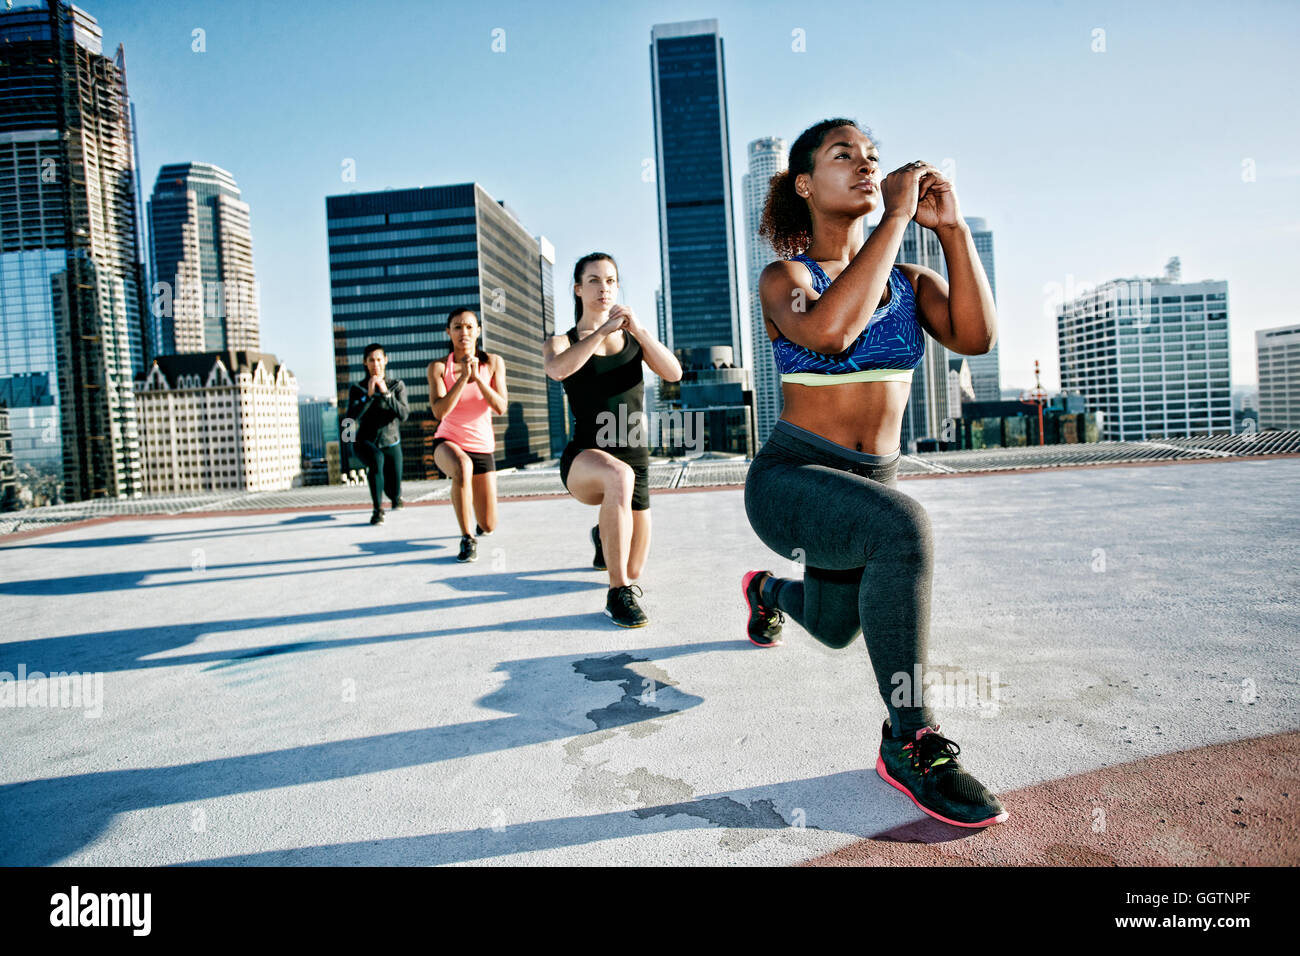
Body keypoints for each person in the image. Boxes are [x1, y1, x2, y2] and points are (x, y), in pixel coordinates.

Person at [743, 118, 1008, 827]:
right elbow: (832, 330)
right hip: (792, 483)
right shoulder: (787, 279)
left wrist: (949, 230)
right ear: (804, 184)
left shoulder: (911, 282)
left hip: (869, 485)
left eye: (873, 158)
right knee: (905, 529)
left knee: (834, 628)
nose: (865, 166)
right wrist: (896, 212)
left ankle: (767, 591)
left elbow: (976, 338)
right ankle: (910, 740)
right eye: (843, 156)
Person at [543, 253, 681, 627]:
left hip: (636, 459)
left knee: (634, 565)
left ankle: (604, 536)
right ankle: (617, 594)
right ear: (577, 288)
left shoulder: (634, 338)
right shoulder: (561, 341)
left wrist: (640, 332)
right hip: (585, 459)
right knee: (616, 478)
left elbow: (673, 372)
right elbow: (557, 370)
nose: (603, 288)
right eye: (593, 280)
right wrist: (601, 331)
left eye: (610, 280)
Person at [427, 308, 507, 563]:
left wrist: (478, 380)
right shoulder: (439, 368)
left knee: (490, 524)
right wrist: (462, 379)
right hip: (448, 441)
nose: (464, 332)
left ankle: (478, 520)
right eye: (458, 327)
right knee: (462, 466)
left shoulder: (493, 362)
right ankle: (467, 537)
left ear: (478, 332)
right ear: (448, 332)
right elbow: (440, 411)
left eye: (470, 327)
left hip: (482, 447)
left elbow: (501, 406)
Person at [347, 343, 409, 525]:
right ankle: (377, 510)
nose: (375, 364)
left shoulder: (397, 385)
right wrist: (369, 395)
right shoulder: (357, 389)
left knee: (394, 491)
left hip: (391, 442)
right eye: (371, 360)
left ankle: (395, 497)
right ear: (365, 363)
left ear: (385, 360)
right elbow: (349, 419)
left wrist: (386, 395)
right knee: (376, 460)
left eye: (379, 359)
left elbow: (404, 415)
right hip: (365, 441)